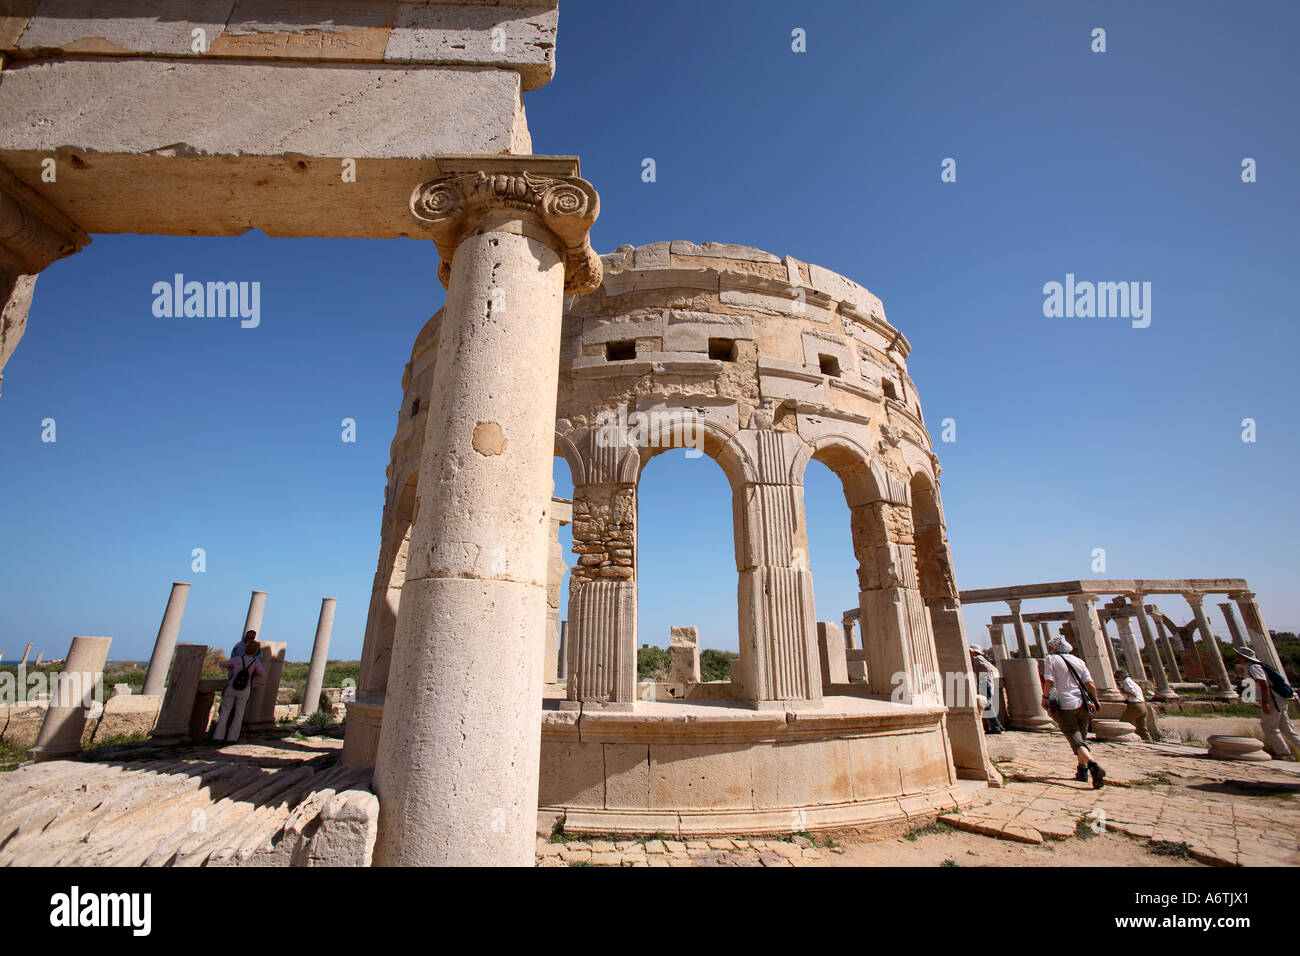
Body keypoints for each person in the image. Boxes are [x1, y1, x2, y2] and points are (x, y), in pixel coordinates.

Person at [1041, 635, 1106, 788]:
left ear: (1056, 649)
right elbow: (1090, 684)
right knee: (1082, 738)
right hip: (1083, 704)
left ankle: (1092, 765)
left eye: (1052, 647)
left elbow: (1049, 680)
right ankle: (1081, 771)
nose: (1051, 650)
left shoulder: (1051, 659)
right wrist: (1095, 701)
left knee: (1075, 739)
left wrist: (1045, 696)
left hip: (1065, 703)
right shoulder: (1079, 661)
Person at [1235, 646, 1300, 760]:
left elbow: (1264, 685)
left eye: (1239, 656)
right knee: (1288, 729)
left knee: (1269, 727)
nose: (1238, 658)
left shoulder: (1253, 667)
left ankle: (1284, 754)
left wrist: (1265, 702)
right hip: (1279, 699)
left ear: (1244, 657)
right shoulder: (1255, 666)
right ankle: (1286, 753)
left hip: (1272, 700)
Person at [213, 638, 265, 743]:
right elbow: (263, 673)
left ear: (245, 648)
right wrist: (252, 673)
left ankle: (218, 737)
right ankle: (232, 738)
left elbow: (222, 665)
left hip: (232, 687)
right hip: (245, 689)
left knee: (224, 713)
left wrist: (232, 668)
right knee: (239, 713)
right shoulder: (255, 662)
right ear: (255, 651)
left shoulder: (237, 659)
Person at [968, 645, 1004, 734]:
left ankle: (996, 727)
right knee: (987, 705)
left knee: (987, 705)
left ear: (974, 652)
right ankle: (998, 726)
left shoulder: (978, 659)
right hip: (983, 683)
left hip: (983, 683)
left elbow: (984, 670)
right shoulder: (978, 659)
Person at [1115, 668, 1151, 740]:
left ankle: (1122, 739)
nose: (1118, 678)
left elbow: (1133, 694)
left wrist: (1123, 691)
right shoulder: (1133, 682)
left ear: (1121, 675)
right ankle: (1148, 740)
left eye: (1118, 676)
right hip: (1142, 705)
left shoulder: (1126, 682)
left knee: (1123, 723)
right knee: (1142, 727)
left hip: (1135, 705)